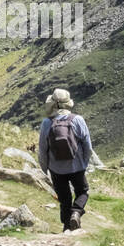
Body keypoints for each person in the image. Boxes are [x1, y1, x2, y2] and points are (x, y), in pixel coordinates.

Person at [37, 88, 93, 232]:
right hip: (77, 167)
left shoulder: (46, 123)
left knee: (64, 198)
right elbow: (87, 145)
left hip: (56, 169)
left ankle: (67, 227)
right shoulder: (77, 120)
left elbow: (43, 149)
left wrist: (45, 168)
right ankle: (76, 212)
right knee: (82, 191)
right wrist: (84, 163)